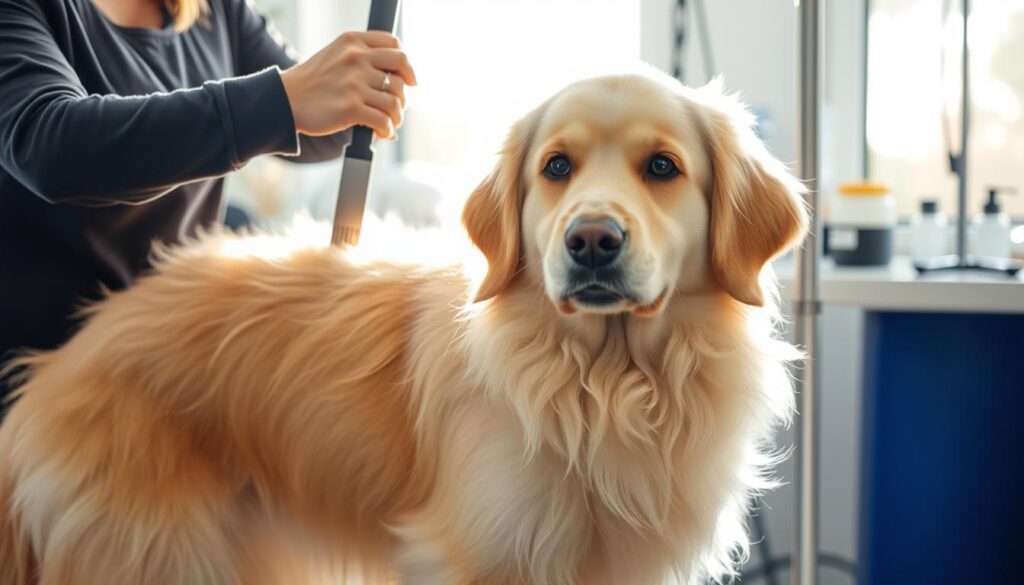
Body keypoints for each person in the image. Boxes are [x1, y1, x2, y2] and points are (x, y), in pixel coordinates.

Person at [0, 0, 417, 412]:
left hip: (172, 372)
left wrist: (356, 93)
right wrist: (283, 99)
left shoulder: (215, 9)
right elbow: (53, 147)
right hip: (46, 395)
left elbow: (310, 129)